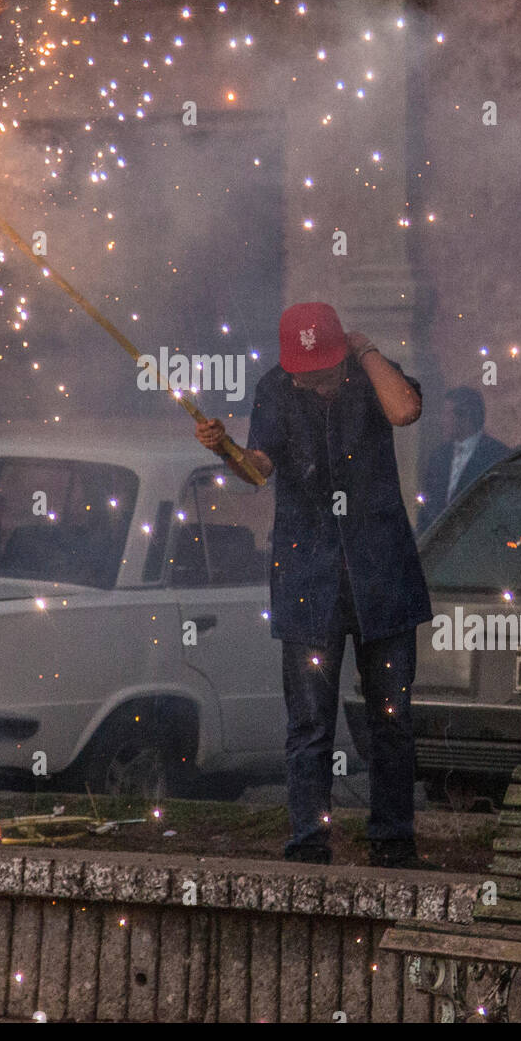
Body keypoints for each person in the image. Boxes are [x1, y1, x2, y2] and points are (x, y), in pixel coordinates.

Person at [195, 302, 434, 869]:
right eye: (305, 371)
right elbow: (258, 472)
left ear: (343, 355)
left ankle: (393, 843)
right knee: (308, 726)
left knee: (392, 722)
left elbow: (404, 412)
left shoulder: (373, 374)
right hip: (308, 576)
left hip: (383, 573)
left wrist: (369, 348)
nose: (314, 381)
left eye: (323, 369)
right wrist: (225, 448)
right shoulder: (276, 389)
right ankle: (308, 844)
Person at [417, 387, 509, 531]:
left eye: (447, 414)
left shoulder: (496, 455)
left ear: (466, 416)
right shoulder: (439, 456)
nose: (443, 421)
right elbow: (427, 507)